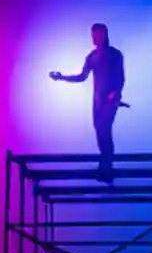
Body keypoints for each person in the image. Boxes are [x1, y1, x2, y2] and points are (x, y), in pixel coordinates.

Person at [49, 23, 126, 182]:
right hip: (97, 101)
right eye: (93, 35)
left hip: (110, 101)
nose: (94, 38)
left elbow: (121, 77)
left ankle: (107, 171)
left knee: (105, 130)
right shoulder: (91, 57)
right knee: (100, 132)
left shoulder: (115, 55)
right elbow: (82, 77)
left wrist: (115, 94)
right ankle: (105, 170)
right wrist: (62, 77)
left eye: (97, 34)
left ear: (104, 35)